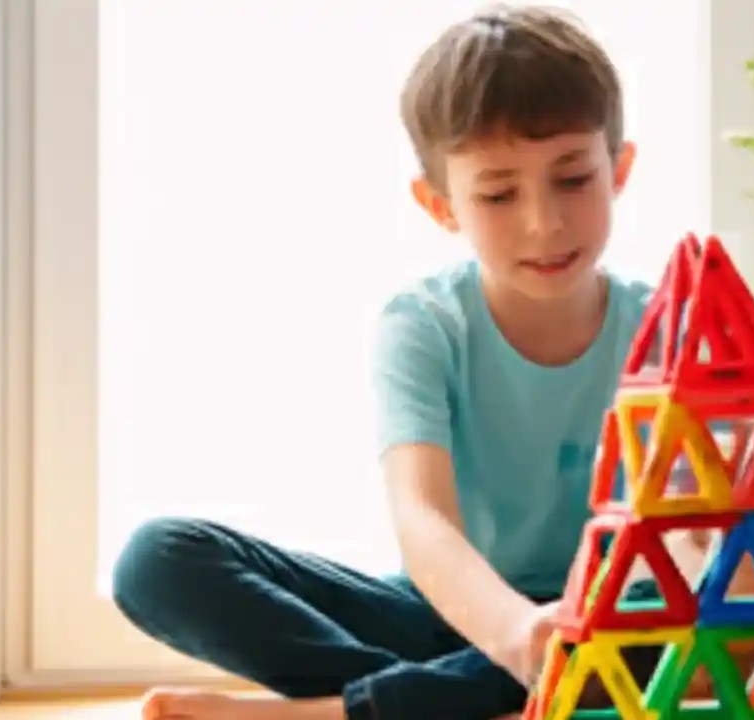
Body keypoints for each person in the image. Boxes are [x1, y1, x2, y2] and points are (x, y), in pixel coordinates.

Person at [110, 5, 659, 719]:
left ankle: (344, 713)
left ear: (619, 170)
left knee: (653, 624)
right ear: (441, 206)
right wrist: (515, 634)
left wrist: (554, 628)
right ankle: (462, 700)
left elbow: (683, 536)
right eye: (498, 193)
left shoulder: (660, 326)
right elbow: (422, 518)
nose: (543, 222)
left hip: (600, 621)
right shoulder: (425, 324)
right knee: (157, 561)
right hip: (455, 618)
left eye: (573, 180)